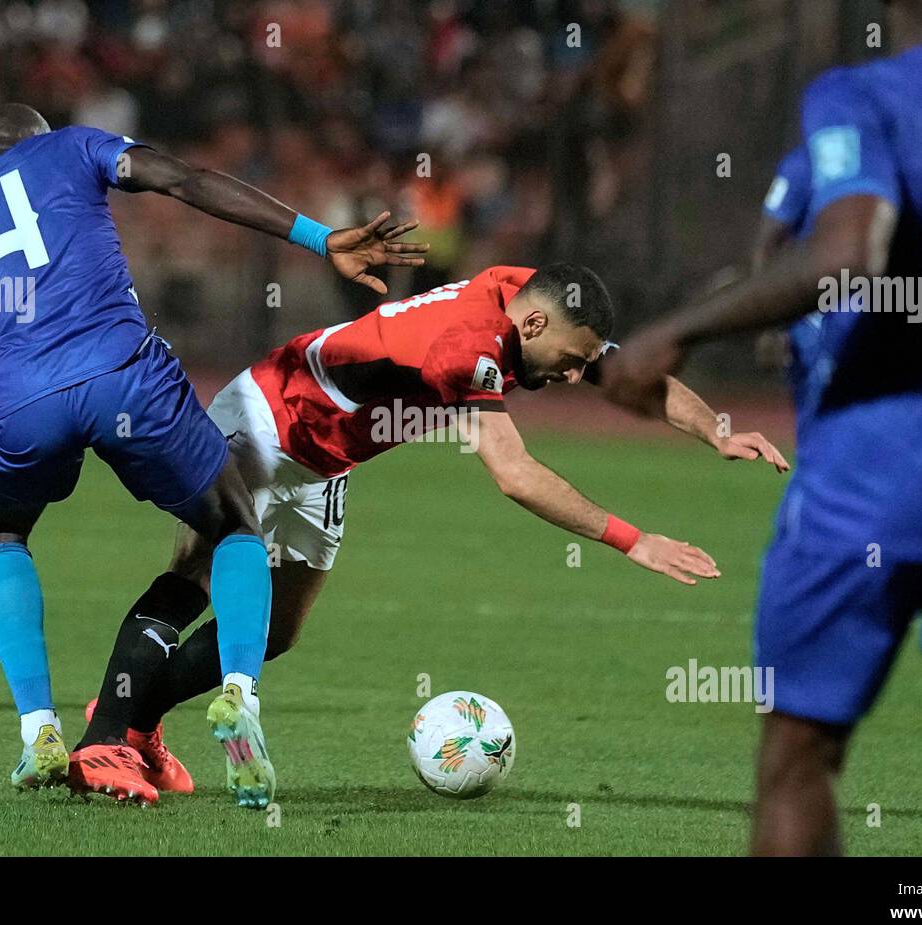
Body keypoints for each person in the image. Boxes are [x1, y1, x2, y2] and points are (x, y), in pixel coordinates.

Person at [602, 0, 922, 855]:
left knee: (797, 759)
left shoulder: (862, 95)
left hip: (874, 473)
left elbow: (844, 251)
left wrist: (675, 332)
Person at [0, 103, 426, 807]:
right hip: (125, 380)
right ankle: (239, 694)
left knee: (4, 534)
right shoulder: (75, 148)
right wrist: (320, 237)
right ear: (39, 143)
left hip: (20, 409)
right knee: (231, 524)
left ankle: (39, 728)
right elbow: (187, 180)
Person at [108, 263, 787, 751]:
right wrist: (633, 539)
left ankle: (141, 724)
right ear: (537, 322)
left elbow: (630, 371)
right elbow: (515, 474)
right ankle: (108, 729)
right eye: (573, 361)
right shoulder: (471, 346)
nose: (576, 377)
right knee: (199, 568)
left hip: (329, 452)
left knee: (279, 630)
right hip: (266, 410)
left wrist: (717, 431)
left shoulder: (532, 297)